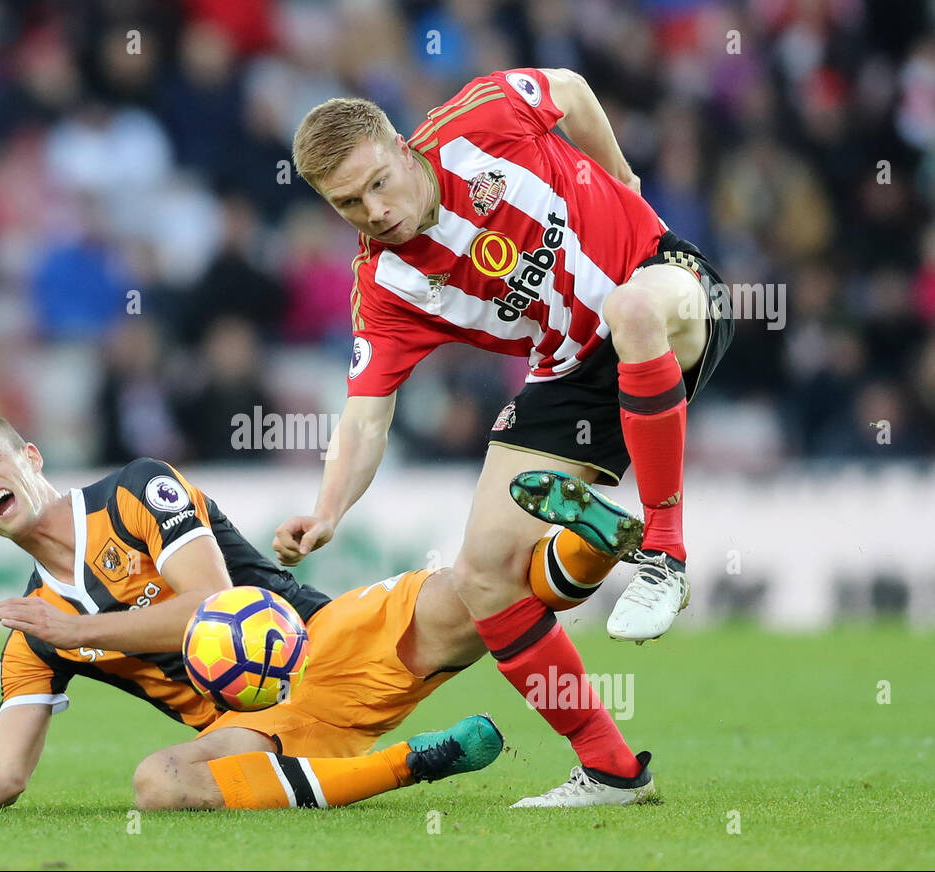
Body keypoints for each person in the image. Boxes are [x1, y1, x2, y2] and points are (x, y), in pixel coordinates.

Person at [274, 68, 732, 804]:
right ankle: (612, 769)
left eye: (379, 183)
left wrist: (621, 178)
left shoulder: (480, 119)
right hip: (568, 370)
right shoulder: (386, 284)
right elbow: (366, 415)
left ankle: (664, 555)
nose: (374, 210)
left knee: (631, 309)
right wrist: (328, 511)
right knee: (483, 578)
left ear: (399, 142)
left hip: (663, 282)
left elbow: (576, 90)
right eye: (348, 204)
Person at [0, 410, 509, 815]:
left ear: (29, 458)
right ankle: (415, 761)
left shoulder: (135, 490)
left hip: (326, 641)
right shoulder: (34, 632)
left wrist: (82, 631)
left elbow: (216, 606)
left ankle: (598, 548)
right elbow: (4, 773)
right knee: (160, 782)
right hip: (254, 726)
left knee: (484, 585)